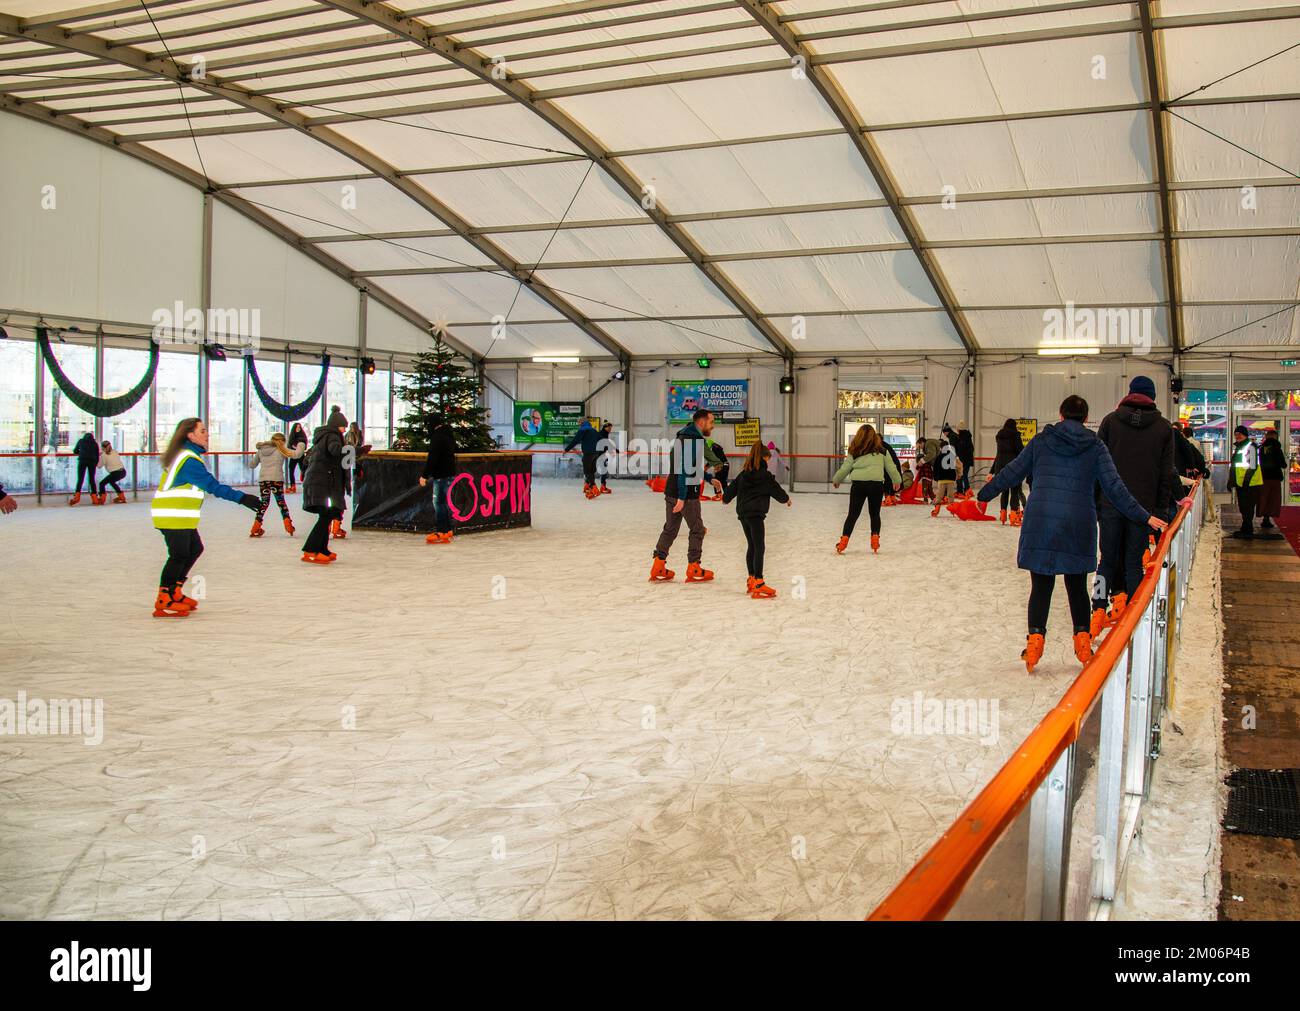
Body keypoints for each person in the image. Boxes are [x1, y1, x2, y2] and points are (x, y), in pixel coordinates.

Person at [978, 395, 1166, 672]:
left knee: (1041, 585)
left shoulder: (1042, 442)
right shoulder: (1096, 447)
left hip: (1041, 521)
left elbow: (1013, 472)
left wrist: (984, 494)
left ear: (1061, 415)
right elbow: (1116, 489)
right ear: (1085, 418)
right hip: (1077, 524)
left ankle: (1035, 643)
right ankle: (1082, 642)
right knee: (1076, 585)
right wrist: (1145, 515)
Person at [1088, 375, 1175, 635]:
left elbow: (1096, 465)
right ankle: (1136, 614)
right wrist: (1159, 511)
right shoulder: (1163, 428)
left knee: (1106, 560)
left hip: (1111, 505)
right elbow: (1165, 473)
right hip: (1143, 509)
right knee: (1134, 563)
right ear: (1153, 397)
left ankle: (1099, 606)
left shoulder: (1110, 422)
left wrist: (1096, 502)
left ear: (1130, 393)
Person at [151, 418, 261, 617]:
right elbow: (212, 486)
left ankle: (175, 591)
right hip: (172, 514)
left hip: (179, 515)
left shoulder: (187, 455)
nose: (207, 434)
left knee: (194, 549)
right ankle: (164, 597)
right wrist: (242, 498)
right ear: (190, 435)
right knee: (179, 555)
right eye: (202, 431)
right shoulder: (189, 460)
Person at [649, 408, 719, 583]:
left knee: (670, 529)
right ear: (701, 422)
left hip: (671, 490)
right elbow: (683, 470)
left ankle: (658, 565)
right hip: (686, 494)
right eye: (711, 422)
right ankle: (694, 567)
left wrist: (709, 478)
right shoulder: (693, 441)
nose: (712, 427)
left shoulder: (681, 437)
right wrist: (682, 498)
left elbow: (689, 468)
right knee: (697, 529)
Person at [722, 441, 791, 598]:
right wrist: (786, 499)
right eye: (768, 459)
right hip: (756, 515)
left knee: (752, 545)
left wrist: (725, 498)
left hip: (743, 514)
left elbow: (728, 494)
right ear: (765, 458)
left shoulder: (743, 474)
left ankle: (751, 579)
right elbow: (777, 491)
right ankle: (759, 582)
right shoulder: (765, 476)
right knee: (759, 547)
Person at [832, 423, 901, 554]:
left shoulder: (855, 451)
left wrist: (837, 479)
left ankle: (843, 541)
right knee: (875, 514)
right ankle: (875, 539)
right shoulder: (882, 450)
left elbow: (845, 468)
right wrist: (897, 481)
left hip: (859, 485)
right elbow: (891, 467)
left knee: (852, 515)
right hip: (876, 485)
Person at [300, 408, 349, 564]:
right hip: (322, 482)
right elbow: (336, 451)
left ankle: (322, 549)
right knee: (326, 515)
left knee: (327, 515)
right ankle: (311, 549)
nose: (345, 429)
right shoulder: (333, 436)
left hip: (320, 481)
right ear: (336, 425)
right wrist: (355, 450)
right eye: (343, 426)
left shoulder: (323, 436)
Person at [248, 432, 303, 537]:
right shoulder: (280, 449)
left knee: (264, 503)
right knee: (281, 503)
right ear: (282, 441)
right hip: (276, 479)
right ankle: (288, 526)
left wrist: (257, 459)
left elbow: (252, 465)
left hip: (264, 480)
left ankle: (255, 527)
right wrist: (301, 444)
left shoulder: (261, 450)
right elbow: (297, 454)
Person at [419, 417, 458, 544]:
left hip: (441, 475)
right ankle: (447, 530)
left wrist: (424, 476)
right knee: (443, 503)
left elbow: (432, 458)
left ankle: (441, 530)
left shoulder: (437, 438)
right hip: (449, 473)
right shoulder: (448, 436)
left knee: (439, 503)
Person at [1227, 425, 1261, 540]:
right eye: (1236, 434)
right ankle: (1245, 527)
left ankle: (1248, 529)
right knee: (1243, 507)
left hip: (1251, 484)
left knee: (1248, 507)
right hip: (1241, 483)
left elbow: (1252, 467)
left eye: (1240, 434)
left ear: (1245, 435)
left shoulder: (1250, 447)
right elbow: (1235, 466)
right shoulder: (1239, 447)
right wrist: (1231, 481)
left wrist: (1246, 481)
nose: (1237, 436)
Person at [990, 419, 1024, 525]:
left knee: (1004, 491)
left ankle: (1003, 514)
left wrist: (992, 471)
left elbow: (997, 456)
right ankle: (1014, 516)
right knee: (1014, 491)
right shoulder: (1015, 436)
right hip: (1013, 467)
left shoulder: (1000, 437)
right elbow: (1021, 452)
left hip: (1000, 467)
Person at [563, 419, 606, 499]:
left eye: (579, 423)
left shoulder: (582, 430)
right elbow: (601, 439)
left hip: (588, 453)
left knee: (587, 471)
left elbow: (575, 441)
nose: (579, 425)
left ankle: (594, 487)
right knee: (591, 471)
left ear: (582, 423)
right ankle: (590, 488)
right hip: (596, 453)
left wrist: (566, 449)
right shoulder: (594, 430)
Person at [1259, 428, 1287, 532]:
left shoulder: (1262, 448)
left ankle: (1264, 517)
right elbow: (1283, 464)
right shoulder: (1277, 448)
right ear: (1275, 437)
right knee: (1273, 499)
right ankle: (1268, 518)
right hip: (1274, 477)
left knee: (1264, 497)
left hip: (1263, 477)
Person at [930, 434, 960, 516]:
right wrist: (957, 475)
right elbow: (957, 466)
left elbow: (935, 468)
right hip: (950, 479)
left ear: (941, 448)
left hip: (941, 479)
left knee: (939, 496)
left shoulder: (939, 457)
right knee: (950, 496)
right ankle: (952, 511)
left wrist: (935, 477)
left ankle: (936, 510)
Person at [945, 422, 975, 496]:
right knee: (963, 475)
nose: (957, 430)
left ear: (960, 429)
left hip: (963, 460)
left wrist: (957, 457)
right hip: (966, 460)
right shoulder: (966, 437)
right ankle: (965, 490)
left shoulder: (963, 438)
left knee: (961, 475)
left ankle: (963, 491)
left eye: (958, 429)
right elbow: (971, 449)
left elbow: (961, 449)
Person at [70, 431, 99, 506]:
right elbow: (97, 455)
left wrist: (82, 452)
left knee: (80, 479)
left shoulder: (81, 441)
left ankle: (76, 497)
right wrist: (95, 463)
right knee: (92, 479)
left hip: (82, 461)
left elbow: (75, 451)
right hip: (92, 462)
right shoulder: (95, 443)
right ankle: (95, 498)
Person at [286, 422, 309, 491]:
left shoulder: (302, 435)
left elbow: (304, 444)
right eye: (297, 427)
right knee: (291, 470)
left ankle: (306, 484)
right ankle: (293, 486)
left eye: (299, 427)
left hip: (301, 455)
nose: (298, 428)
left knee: (303, 469)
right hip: (293, 455)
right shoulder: (292, 436)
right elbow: (289, 445)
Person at [598, 421, 616, 494]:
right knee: (603, 470)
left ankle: (602, 486)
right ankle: (602, 486)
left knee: (603, 469)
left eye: (611, 428)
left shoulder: (604, 433)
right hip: (599, 454)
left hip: (601, 454)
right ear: (605, 427)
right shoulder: (602, 434)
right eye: (609, 428)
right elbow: (606, 443)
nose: (610, 429)